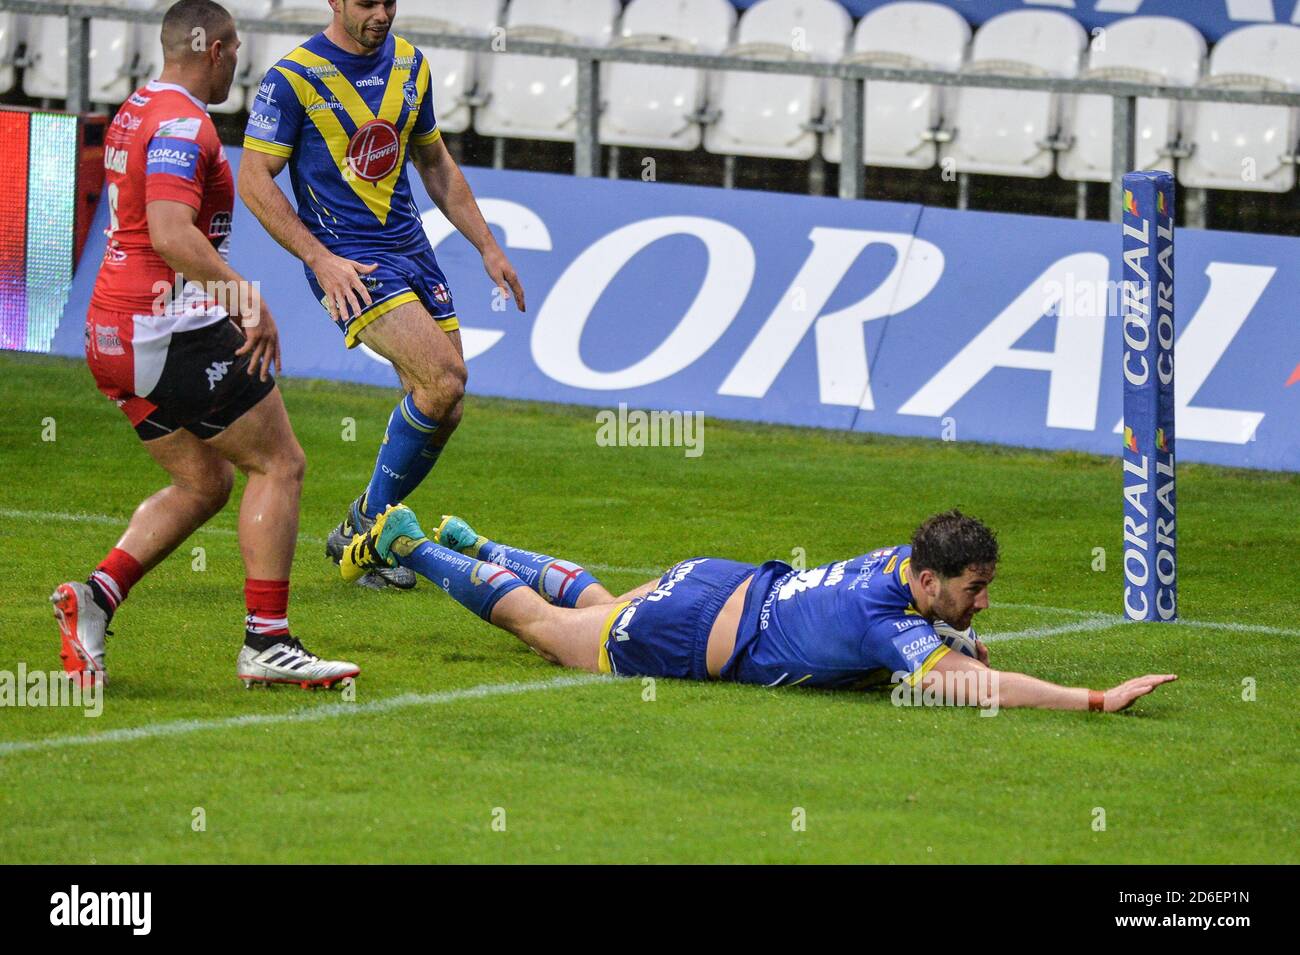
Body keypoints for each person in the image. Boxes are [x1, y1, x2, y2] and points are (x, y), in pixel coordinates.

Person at [52, 0, 358, 690]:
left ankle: (94, 599)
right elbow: (169, 231)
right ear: (214, 50)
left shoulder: (138, 107)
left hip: (111, 333)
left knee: (205, 479)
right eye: (236, 51)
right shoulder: (186, 124)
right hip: (165, 327)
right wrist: (245, 299)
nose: (238, 64)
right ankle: (268, 642)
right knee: (280, 463)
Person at [340, 506, 1177, 712]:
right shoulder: (894, 623)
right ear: (927, 582)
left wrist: (954, 627)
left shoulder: (902, 561)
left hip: (720, 578)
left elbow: (942, 631)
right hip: (701, 631)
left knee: (598, 602)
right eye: (971, 590)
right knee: (552, 634)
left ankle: (477, 539)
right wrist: (1093, 698)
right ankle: (411, 542)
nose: (982, 603)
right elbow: (981, 687)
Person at [237, 0, 525, 590]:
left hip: (412, 249)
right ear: (335, 1)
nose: (381, 13)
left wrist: (487, 246)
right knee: (443, 380)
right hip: (349, 260)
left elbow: (435, 163)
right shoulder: (293, 79)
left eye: (389, 1)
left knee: (448, 407)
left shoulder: (411, 66)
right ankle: (372, 530)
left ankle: (361, 525)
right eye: (367, 2)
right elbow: (252, 178)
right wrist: (318, 257)